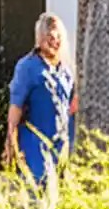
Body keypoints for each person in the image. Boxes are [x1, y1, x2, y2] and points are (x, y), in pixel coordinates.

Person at [5, 13, 77, 184]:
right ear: (40, 38)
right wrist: (10, 142)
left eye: (59, 37)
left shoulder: (65, 72)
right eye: (50, 37)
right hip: (36, 151)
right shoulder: (27, 67)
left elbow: (70, 107)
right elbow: (16, 106)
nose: (55, 41)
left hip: (63, 149)